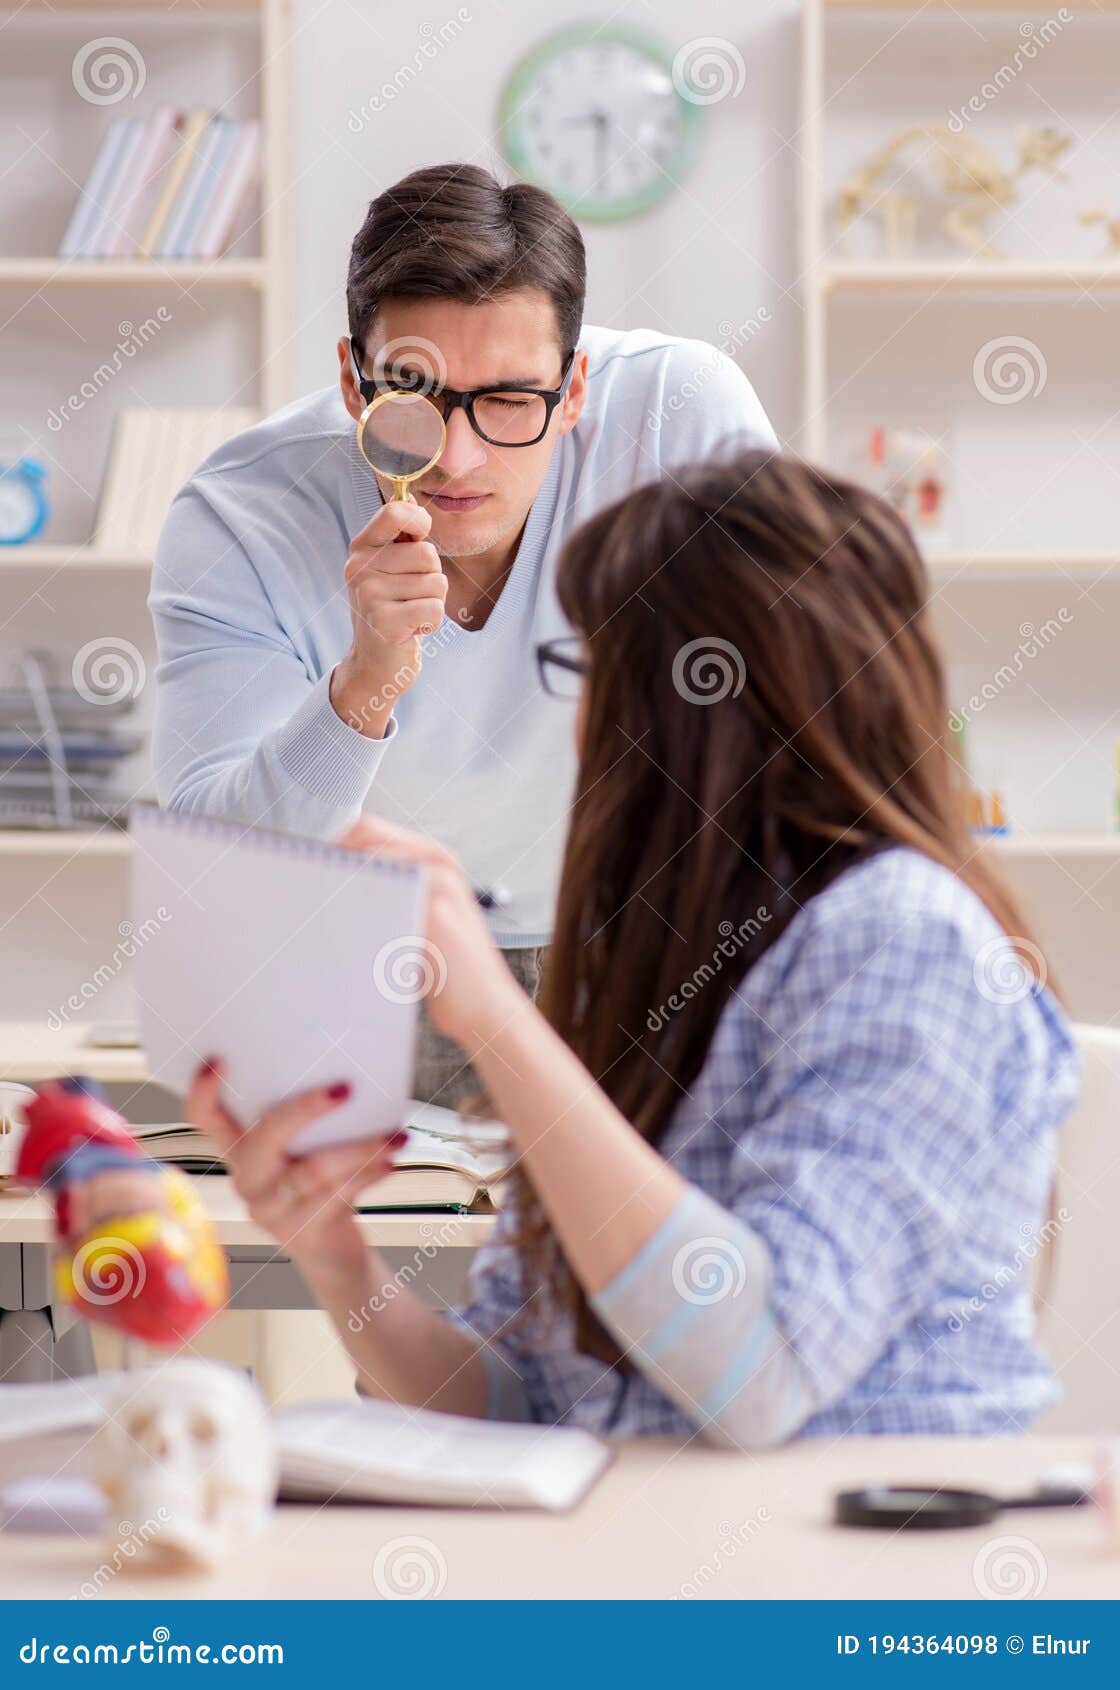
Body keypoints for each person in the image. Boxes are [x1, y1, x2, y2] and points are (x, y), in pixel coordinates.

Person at [187, 448, 1079, 1445]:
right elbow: (518, 1399)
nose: (581, 727)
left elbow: (762, 1374)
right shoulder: (654, 957)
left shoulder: (907, 941)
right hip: (640, 1556)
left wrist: (492, 1017)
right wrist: (331, 1252)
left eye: (598, 670)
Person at [150, 161, 777, 1104]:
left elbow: (802, 706)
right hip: (365, 956)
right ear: (352, 384)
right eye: (412, 395)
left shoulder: (681, 415)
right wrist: (361, 688)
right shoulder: (242, 514)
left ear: (573, 392)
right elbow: (218, 865)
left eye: (513, 401)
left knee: (651, 1237)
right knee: (369, 1235)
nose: (460, 457)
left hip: (649, 938)